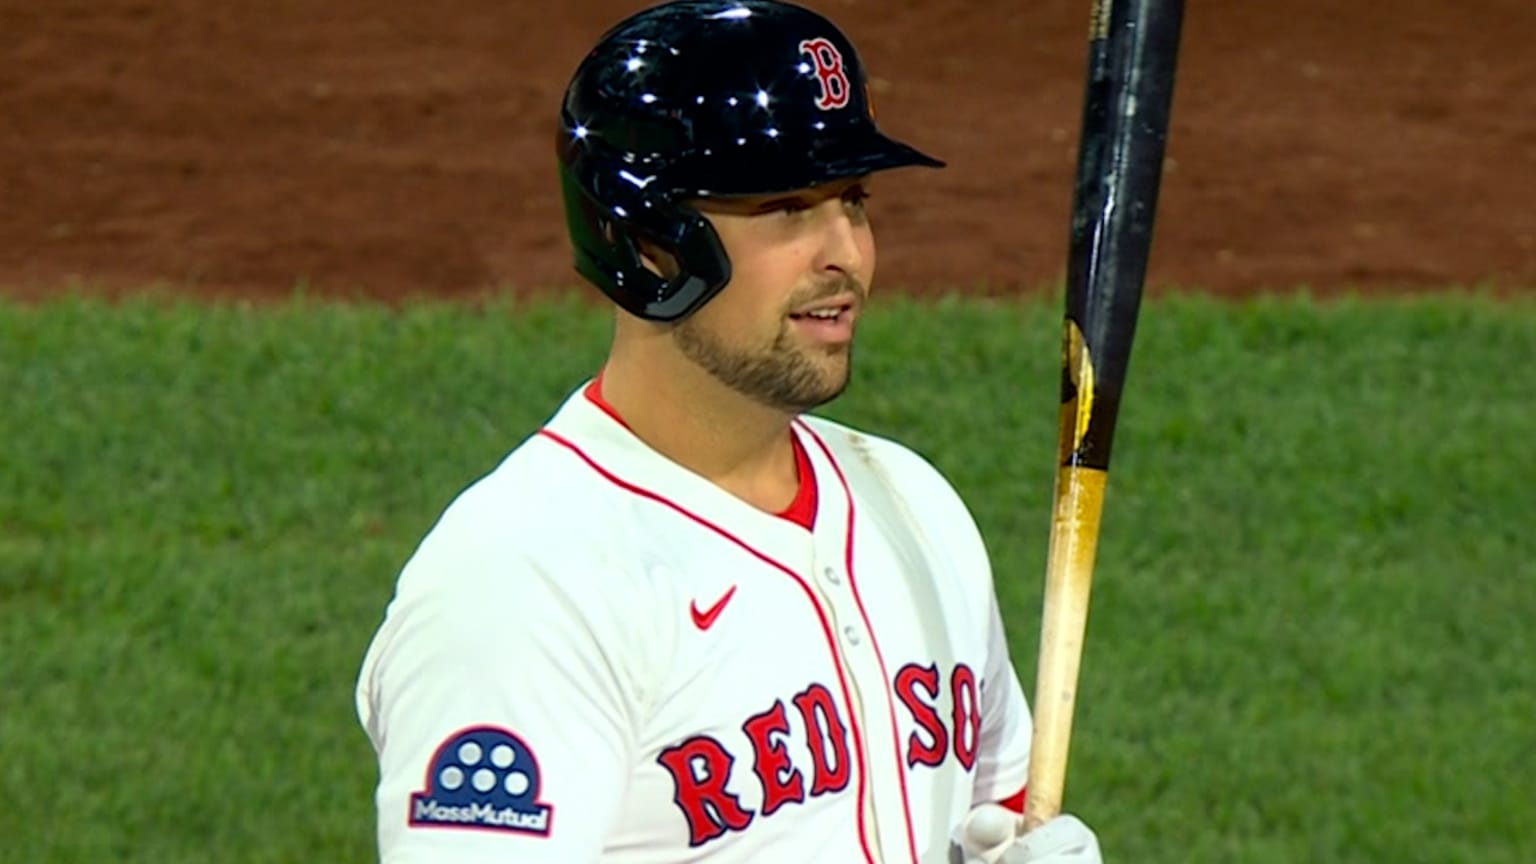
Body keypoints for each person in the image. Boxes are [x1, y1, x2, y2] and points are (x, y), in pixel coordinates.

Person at [354, 2, 1104, 862]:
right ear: (649, 241)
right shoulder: (524, 585)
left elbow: (992, 801)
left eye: (851, 200)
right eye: (787, 208)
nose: (846, 253)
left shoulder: (912, 505)